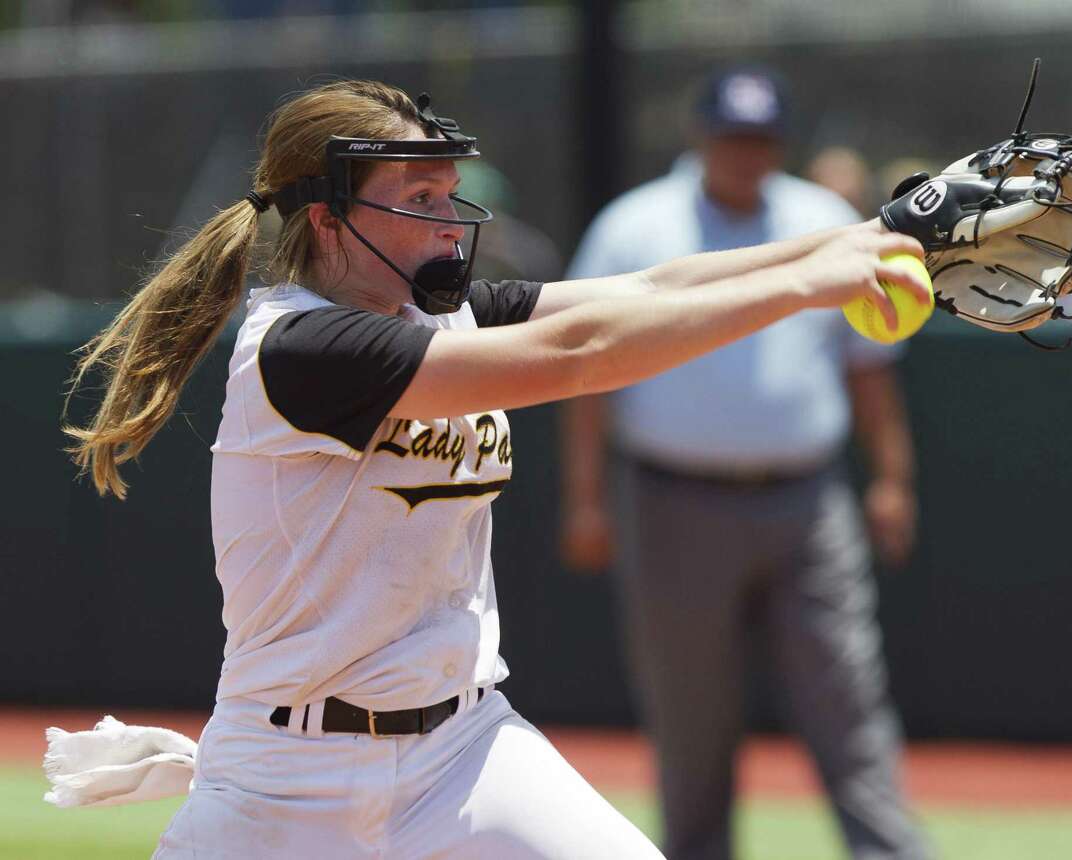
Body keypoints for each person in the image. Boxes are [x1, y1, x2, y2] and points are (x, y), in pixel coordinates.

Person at [58, 78, 927, 859]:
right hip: (291, 774)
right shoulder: (302, 347)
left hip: (466, 752)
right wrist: (813, 286)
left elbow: (653, 289)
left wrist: (858, 240)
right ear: (327, 219)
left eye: (449, 190)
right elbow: (579, 352)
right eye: (418, 196)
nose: (449, 215)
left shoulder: (442, 315)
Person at [562, 67, 930, 860]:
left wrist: (892, 479)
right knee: (691, 717)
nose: (746, 153)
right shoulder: (637, 225)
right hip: (672, 496)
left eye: (761, 139)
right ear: (700, 136)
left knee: (849, 700)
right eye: (733, 136)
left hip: (809, 498)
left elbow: (869, 369)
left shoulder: (823, 218)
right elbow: (584, 375)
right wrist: (585, 501)